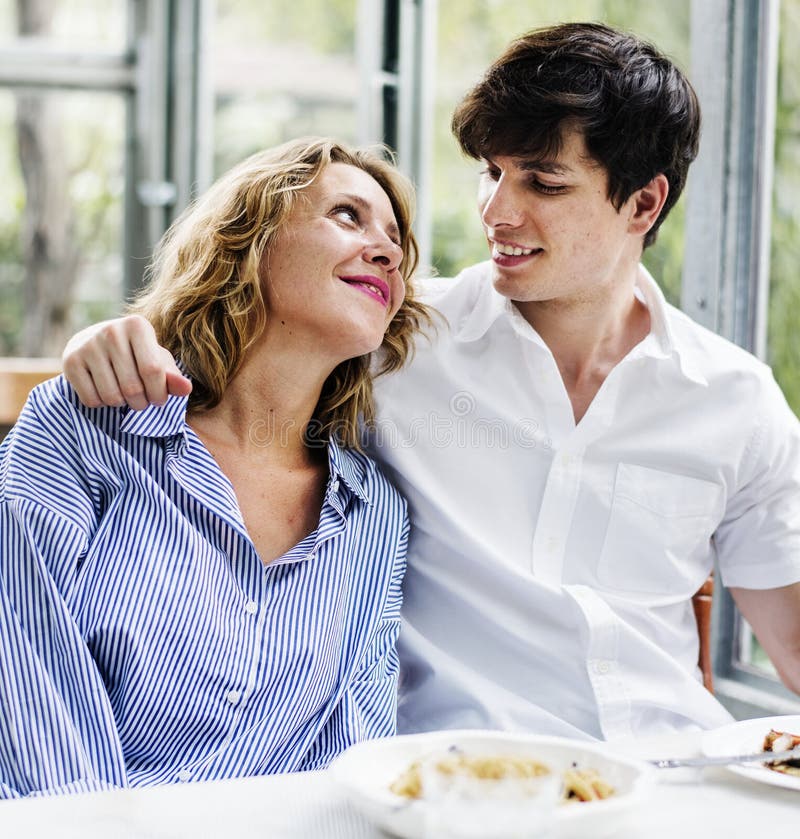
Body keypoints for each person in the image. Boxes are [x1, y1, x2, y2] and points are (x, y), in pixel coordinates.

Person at [61, 23, 800, 742]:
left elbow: (790, 643)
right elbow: (236, 351)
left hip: (671, 776)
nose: (495, 211)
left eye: (542, 182)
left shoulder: (736, 401)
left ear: (643, 203)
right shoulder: (393, 341)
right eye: (491, 171)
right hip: (448, 783)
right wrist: (104, 339)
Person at [0, 137, 432, 797]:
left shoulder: (374, 513)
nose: (389, 250)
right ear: (251, 238)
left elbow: (354, 742)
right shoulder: (85, 427)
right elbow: (24, 670)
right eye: (348, 215)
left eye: (396, 239)